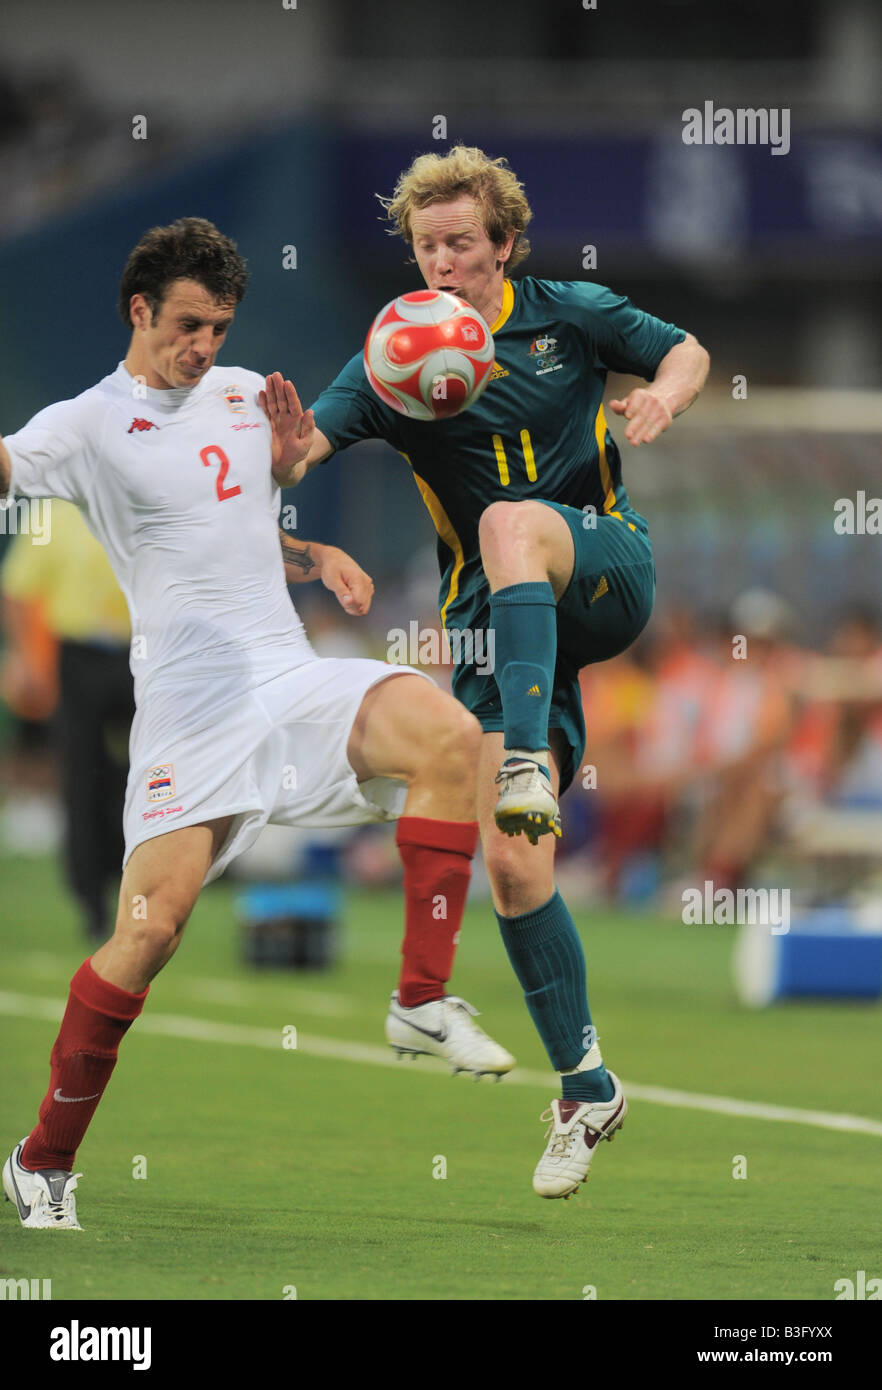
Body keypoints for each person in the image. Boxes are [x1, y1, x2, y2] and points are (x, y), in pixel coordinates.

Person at [1, 216, 513, 1232]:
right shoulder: (87, 425)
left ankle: (420, 998)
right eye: (188, 326)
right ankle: (42, 1160)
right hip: (188, 709)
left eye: (220, 328)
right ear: (140, 310)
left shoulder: (244, 396)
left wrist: (311, 550)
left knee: (451, 738)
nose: (205, 348)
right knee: (148, 933)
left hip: (287, 673)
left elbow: (232, 524)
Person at [265, 145, 710, 1198]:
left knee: (512, 521)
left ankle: (518, 766)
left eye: (462, 244)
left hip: (599, 563)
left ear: (504, 245)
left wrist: (664, 398)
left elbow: (686, 350)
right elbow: (304, 454)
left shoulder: (569, 316)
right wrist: (285, 454)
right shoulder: (394, 356)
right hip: (489, 627)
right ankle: (587, 1089)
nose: (443, 264)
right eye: (427, 248)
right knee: (514, 865)